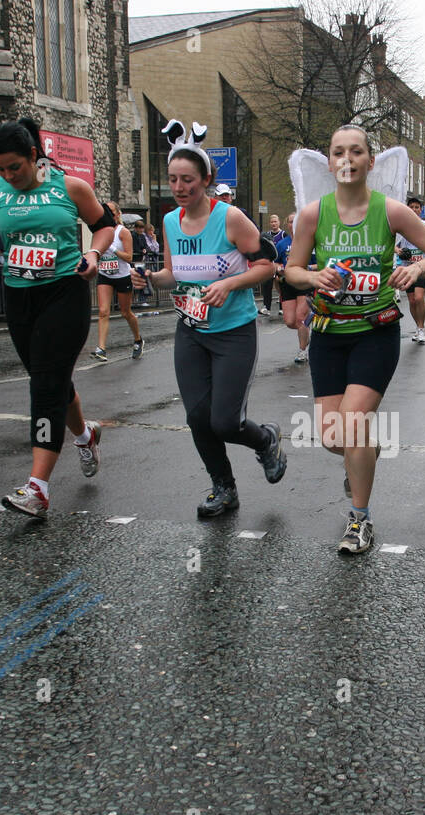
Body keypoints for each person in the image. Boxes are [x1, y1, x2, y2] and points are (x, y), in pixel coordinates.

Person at [284, 124, 425, 553]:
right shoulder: (312, 215)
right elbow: (292, 270)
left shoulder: (390, 211)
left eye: (355, 152)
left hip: (375, 331)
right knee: (332, 437)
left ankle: (359, 520)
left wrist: (416, 269)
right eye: (338, 152)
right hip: (327, 333)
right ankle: (366, 455)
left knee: (352, 425)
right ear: (329, 162)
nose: (347, 159)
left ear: (369, 161)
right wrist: (312, 276)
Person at [128, 119, 285, 519]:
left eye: (188, 180)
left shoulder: (229, 218)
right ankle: (223, 488)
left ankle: (265, 440)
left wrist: (230, 285)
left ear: (207, 179)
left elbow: (268, 265)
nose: (179, 188)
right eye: (173, 179)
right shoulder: (168, 221)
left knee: (225, 421)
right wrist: (148, 277)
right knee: (198, 417)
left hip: (233, 332)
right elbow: (172, 274)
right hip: (191, 330)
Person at [0, 118, 115, 517]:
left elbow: (105, 226)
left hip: (64, 291)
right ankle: (84, 435)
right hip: (19, 296)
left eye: (15, 167)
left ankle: (37, 487)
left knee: (45, 384)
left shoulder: (70, 187)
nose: (8, 176)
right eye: (0, 169)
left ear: (33, 156)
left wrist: (94, 254)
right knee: (51, 379)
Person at [91, 201, 144, 361]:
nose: (109, 215)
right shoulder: (99, 231)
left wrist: (113, 248)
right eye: (105, 211)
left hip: (122, 275)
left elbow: (129, 257)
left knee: (125, 312)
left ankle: (138, 340)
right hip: (105, 274)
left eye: (111, 212)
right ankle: (101, 349)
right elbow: (96, 253)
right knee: (103, 311)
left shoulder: (123, 232)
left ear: (117, 214)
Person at [395, 197, 425, 342]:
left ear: (420, 210)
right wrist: (398, 251)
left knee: (419, 297)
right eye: (411, 206)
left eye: (417, 207)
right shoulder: (400, 226)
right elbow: (391, 243)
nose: (414, 209)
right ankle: (418, 328)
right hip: (407, 267)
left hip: (422, 268)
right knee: (412, 301)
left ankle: (422, 328)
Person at [274, 211, 311, 363]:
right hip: (287, 284)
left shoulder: (309, 241)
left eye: (296, 221)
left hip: (304, 282)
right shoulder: (282, 244)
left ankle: (302, 351)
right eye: (290, 221)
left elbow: (321, 263)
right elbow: (274, 262)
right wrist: (278, 268)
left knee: (300, 318)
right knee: (290, 321)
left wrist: (307, 267)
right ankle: (308, 330)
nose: (293, 223)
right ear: (287, 225)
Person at [259, 214, 284, 315]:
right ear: (270, 223)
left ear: (279, 222)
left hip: (280, 264)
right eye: (272, 222)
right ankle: (267, 308)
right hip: (270, 264)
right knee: (267, 285)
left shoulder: (283, 234)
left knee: (282, 286)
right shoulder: (267, 235)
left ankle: (283, 307)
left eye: (275, 221)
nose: (274, 223)